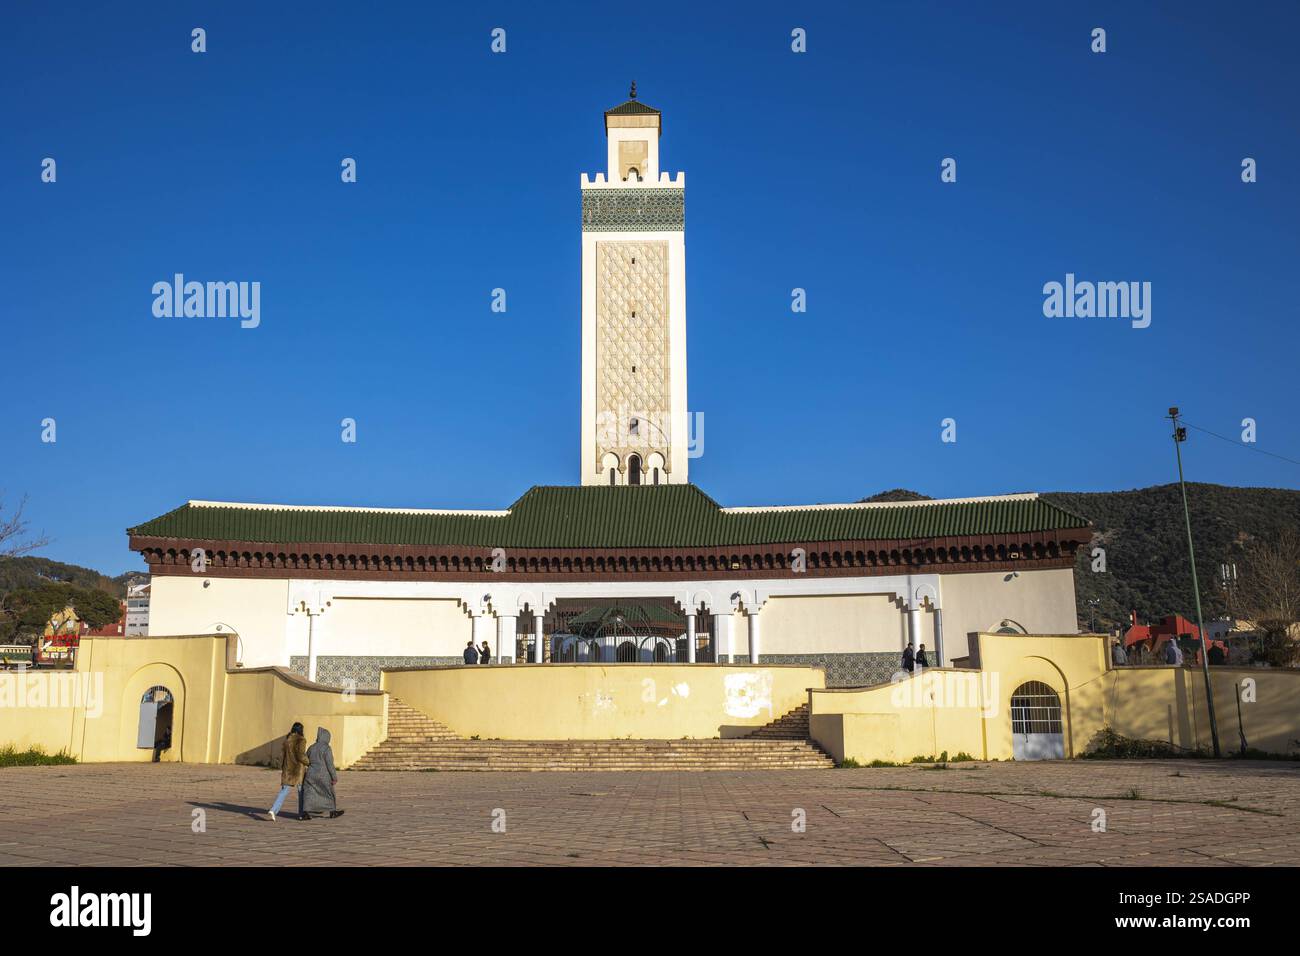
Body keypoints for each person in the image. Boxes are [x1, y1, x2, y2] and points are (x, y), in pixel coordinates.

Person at [268, 721, 309, 821]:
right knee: (301, 791)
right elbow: (300, 755)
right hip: (298, 770)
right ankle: (301, 814)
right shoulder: (301, 740)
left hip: (287, 769)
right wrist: (308, 762)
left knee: (284, 791)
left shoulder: (287, 740)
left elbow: (283, 756)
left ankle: (273, 810)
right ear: (301, 730)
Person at [301, 727, 344, 820]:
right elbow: (330, 764)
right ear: (326, 737)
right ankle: (332, 811)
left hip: (311, 774)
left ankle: (305, 813)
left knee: (309, 793)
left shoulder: (311, 747)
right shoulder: (327, 748)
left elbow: (306, 759)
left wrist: (312, 765)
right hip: (323, 775)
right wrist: (334, 777)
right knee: (329, 793)